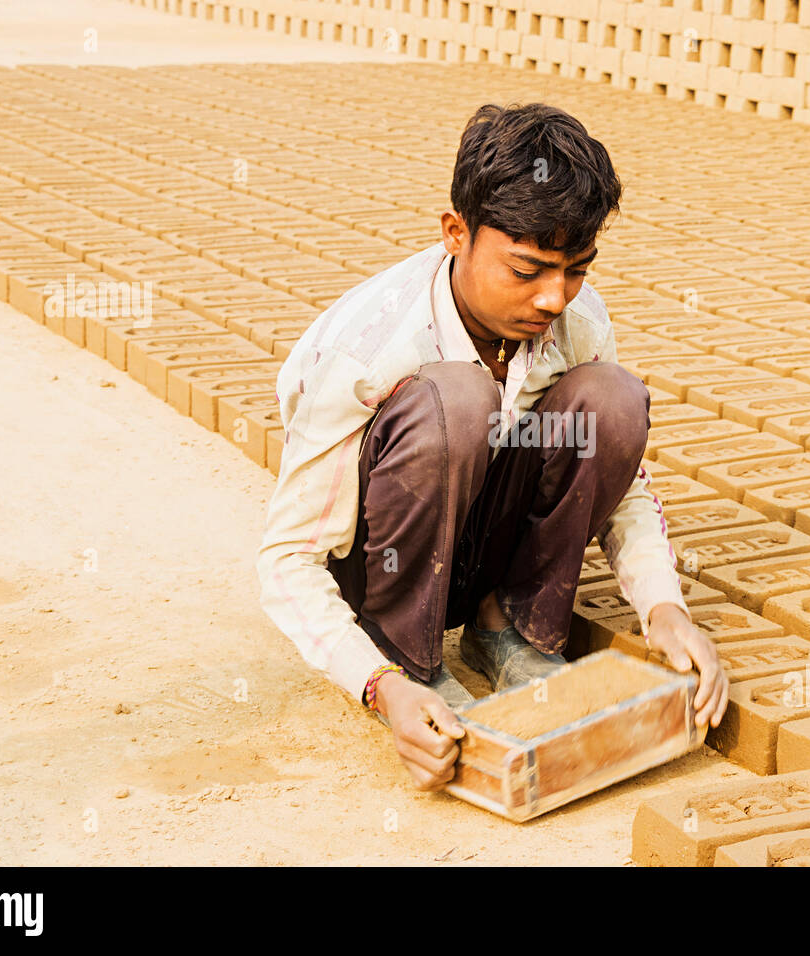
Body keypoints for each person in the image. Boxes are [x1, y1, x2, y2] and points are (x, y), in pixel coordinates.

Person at [255, 102, 727, 791]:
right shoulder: (368, 347)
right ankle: (407, 654)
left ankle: (510, 626)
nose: (553, 298)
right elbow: (287, 557)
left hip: (480, 538)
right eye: (527, 269)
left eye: (576, 270)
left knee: (612, 400)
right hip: (378, 556)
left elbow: (624, 484)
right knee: (457, 403)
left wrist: (664, 608)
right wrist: (377, 683)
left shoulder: (578, 319)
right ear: (456, 233)